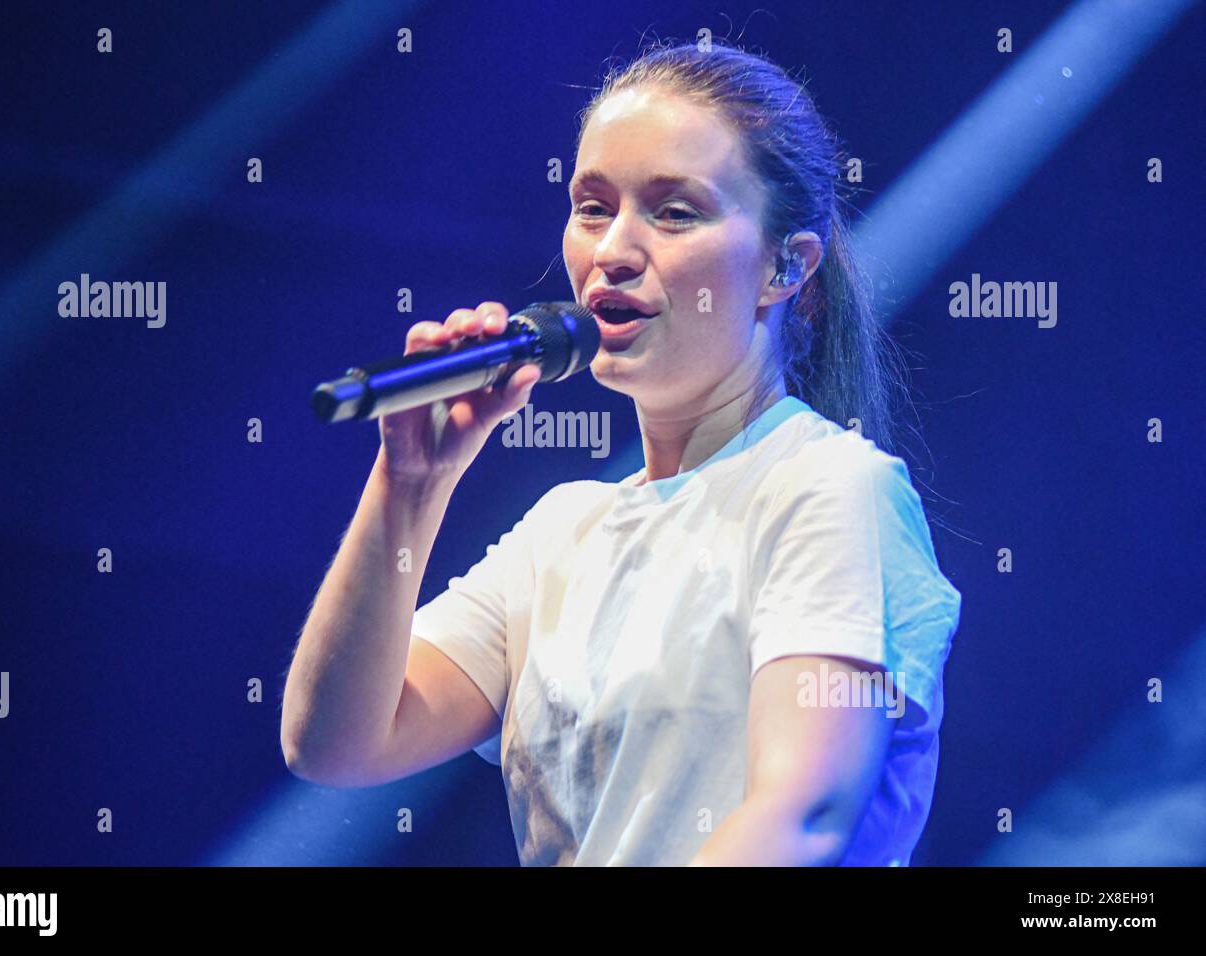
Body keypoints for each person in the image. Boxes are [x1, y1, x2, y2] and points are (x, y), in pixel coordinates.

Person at [281, 40, 962, 866]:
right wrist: (410, 484)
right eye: (593, 207)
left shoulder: (826, 487)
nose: (612, 250)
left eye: (674, 212)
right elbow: (337, 743)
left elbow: (803, 818)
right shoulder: (560, 534)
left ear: (786, 265)